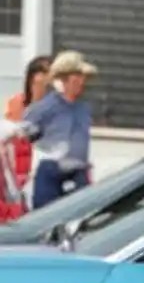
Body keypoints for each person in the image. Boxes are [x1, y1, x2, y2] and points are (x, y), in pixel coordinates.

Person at [21, 50, 96, 209]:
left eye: (84, 78)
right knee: (46, 219)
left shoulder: (83, 109)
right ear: (66, 79)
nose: (83, 82)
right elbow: (23, 134)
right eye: (78, 77)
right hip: (51, 171)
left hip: (78, 172)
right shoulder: (46, 107)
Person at [3, 55, 52, 195]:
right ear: (33, 77)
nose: (49, 78)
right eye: (44, 72)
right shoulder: (17, 103)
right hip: (17, 167)